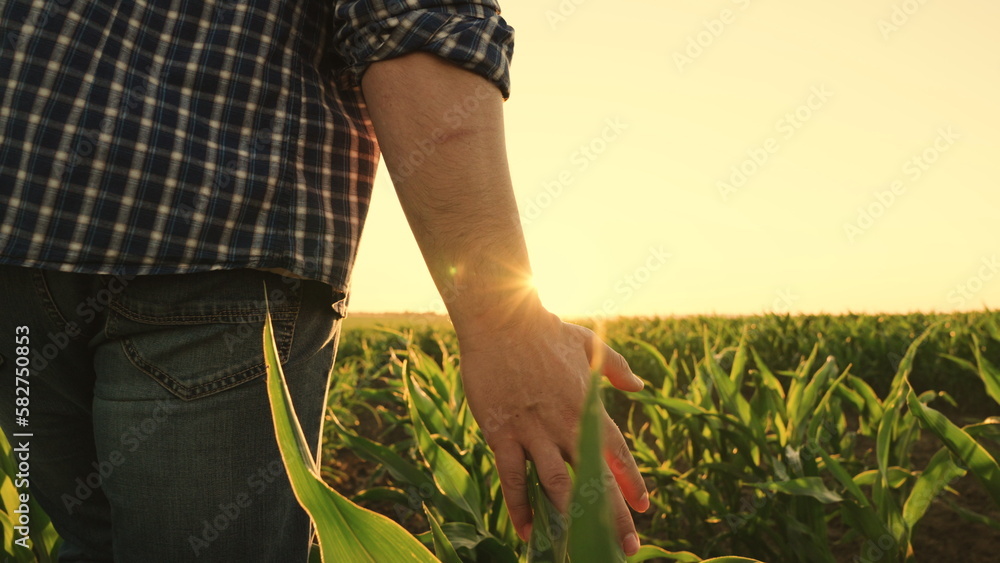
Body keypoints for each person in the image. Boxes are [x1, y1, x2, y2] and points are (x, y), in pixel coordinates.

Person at [0, 0, 649, 560]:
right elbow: (413, 20)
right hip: (211, 239)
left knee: (94, 545)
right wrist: (503, 321)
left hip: (22, 230)